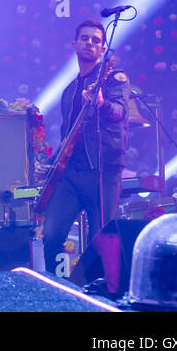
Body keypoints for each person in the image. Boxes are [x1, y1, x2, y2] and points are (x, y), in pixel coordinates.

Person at [41, 18, 130, 275]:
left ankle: (93, 291)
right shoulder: (69, 91)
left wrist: (101, 104)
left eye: (95, 40)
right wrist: (50, 165)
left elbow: (120, 112)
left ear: (102, 49)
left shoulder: (115, 79)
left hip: (104, 171)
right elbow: (66, 134)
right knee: (52, 233)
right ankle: (53, 289)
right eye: (85, 38)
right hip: (71, 173)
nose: (90, 43)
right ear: (75, 44)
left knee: (99, 239)